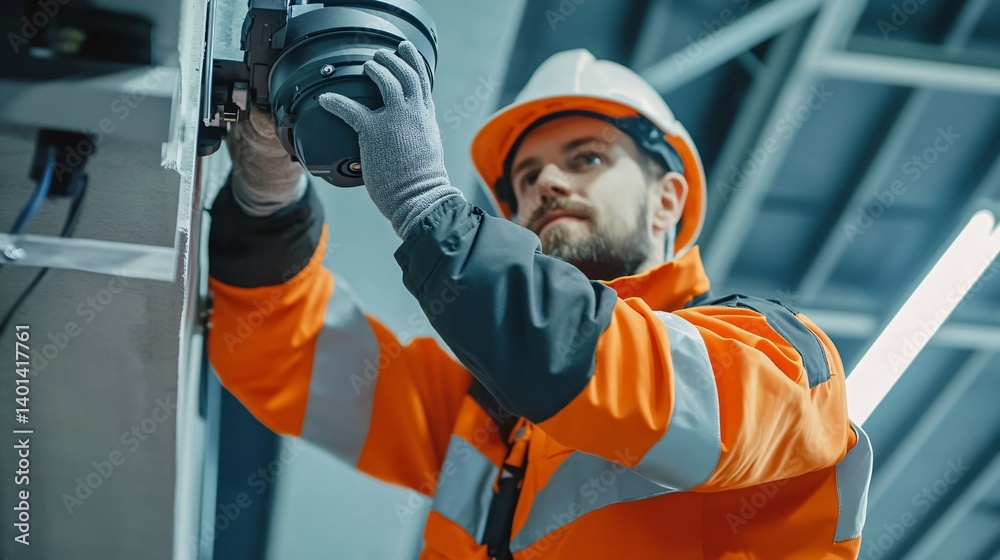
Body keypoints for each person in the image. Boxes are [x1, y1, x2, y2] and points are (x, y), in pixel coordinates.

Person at [207, 42, 872, 559]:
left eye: (585, 159)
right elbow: (282, 349)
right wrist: (268, 190)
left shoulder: (782, 359)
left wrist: (428, 210)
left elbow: (610, 373)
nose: (547, 182)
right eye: (526, 177)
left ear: (667, 199)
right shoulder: (486, 423)